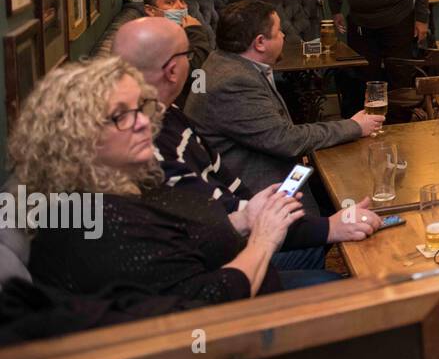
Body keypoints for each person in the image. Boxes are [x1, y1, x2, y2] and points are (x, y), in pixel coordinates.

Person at [11, 57, 312, 304]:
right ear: (76, 137)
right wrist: (263, 239)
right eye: (120, 116)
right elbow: (207, 303)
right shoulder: (100, 223)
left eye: (142, 107)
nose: (144, 123)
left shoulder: (131, 182)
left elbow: (183, 244)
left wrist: (245, 218)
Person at [112, 17, 378, 274]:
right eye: (187, 54)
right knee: (342, 231)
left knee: (332, 195)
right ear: (172, 70)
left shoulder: (172, 112)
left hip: (243, 209)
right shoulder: (153, 143)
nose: (284, 35)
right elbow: (284, 141)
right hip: (231, 258)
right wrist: (328, 228)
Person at [185, 0, 383, 212]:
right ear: (260, 42)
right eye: (279, 31)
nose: (284, 36)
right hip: (255, 201)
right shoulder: (234, 81)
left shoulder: (225, 62)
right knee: (361, 189)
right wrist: (355, 126)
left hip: (260, 174)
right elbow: (284, 140)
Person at [141, 0, 211, 105]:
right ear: (150, 10)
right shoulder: (151, 41)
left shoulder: (179, 32)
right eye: (170, 2)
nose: (180, 7)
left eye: (182, 1)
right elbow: (196, 71)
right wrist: (196, 31)